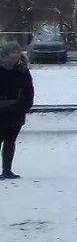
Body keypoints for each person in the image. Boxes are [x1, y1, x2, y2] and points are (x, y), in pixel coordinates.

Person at [0, 41, 34, 180]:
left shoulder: (22, 70)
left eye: (17, 52)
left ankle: (7, 170)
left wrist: (24, 107)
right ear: (5, 53)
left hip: (16, 111)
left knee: (10, 141)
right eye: (12, 52)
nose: (15, 55)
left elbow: (29, 90)